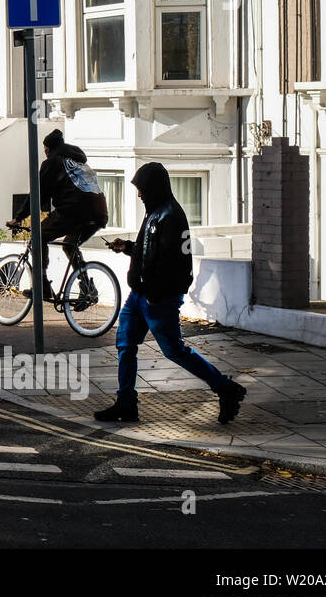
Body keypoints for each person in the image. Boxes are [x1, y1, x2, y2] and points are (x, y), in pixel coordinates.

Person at [96, 162, 247, 424]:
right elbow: (151, 252)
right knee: (125, 344)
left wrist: (158, 295)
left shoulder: (172, 216)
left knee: (174, 351)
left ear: (154, 187)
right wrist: (128, 247)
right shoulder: (154, 212)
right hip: (139, 295)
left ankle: (226, 388)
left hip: (157, 299)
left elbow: (178, 263)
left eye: (142, 189)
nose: (140, 194)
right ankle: (126, 402)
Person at [5, 129, 108, 298]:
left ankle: (42, 286)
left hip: (73, 210)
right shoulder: (78, 162)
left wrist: (19, 217)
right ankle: (87, 288)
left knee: (38, 237)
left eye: (45, 150)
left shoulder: (53, 162)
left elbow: (38, 193)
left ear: (49, 149)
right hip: (99, 213)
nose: (45, 153)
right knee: (69, 245)